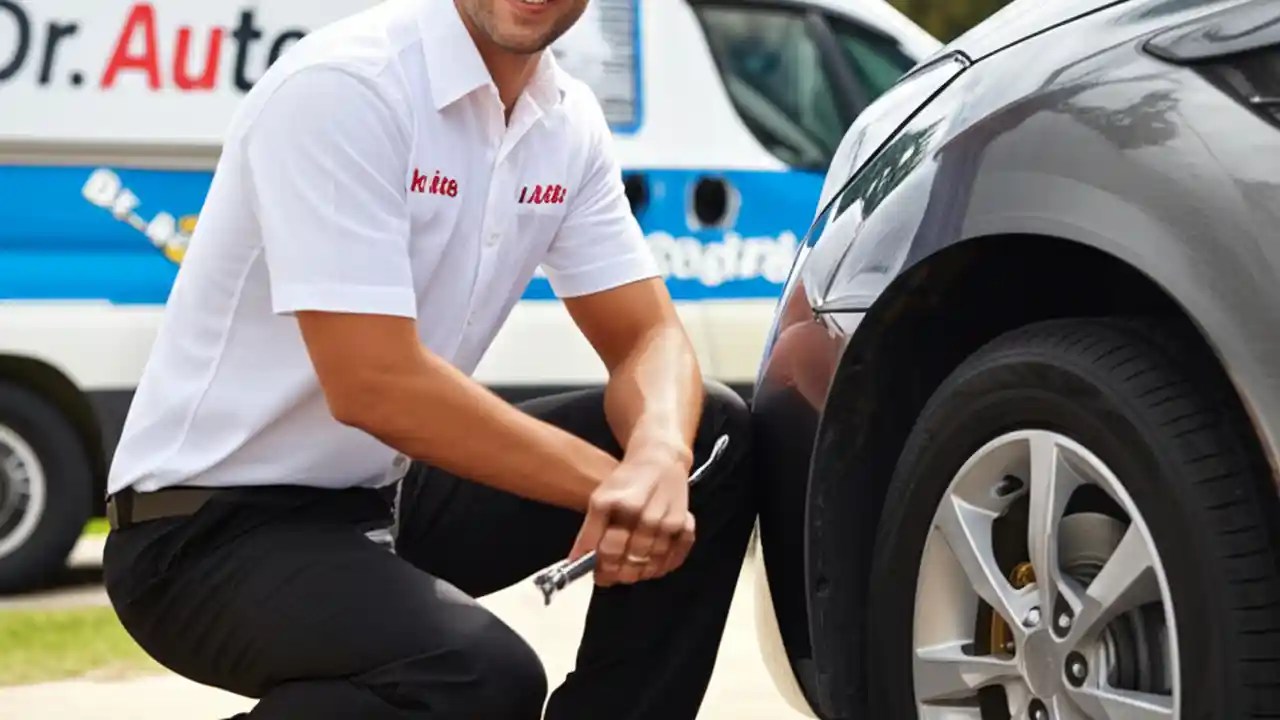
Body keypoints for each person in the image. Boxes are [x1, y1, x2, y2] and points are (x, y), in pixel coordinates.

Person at [100, 0, 757, 718]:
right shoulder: (347, 86)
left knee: (706, 442)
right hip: (206, 528)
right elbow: (373, 385)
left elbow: (647, 337)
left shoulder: (566, 119)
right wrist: (618, 488)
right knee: (480, 677)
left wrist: (658, 462)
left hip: (384, 492)